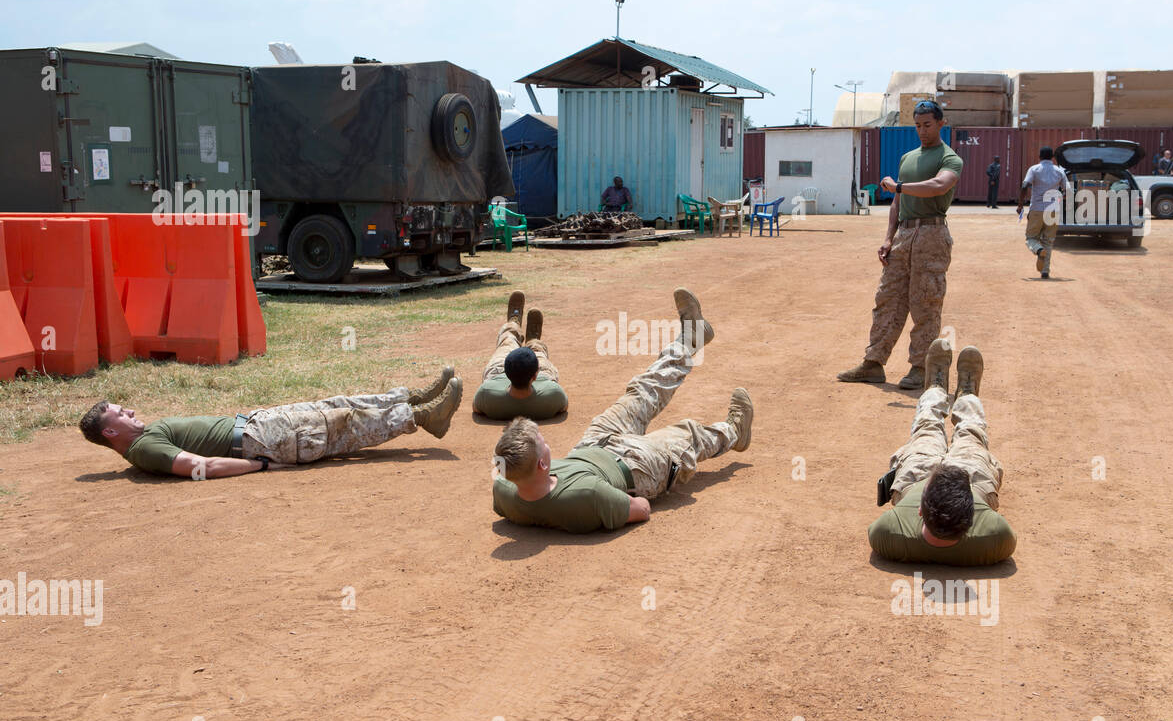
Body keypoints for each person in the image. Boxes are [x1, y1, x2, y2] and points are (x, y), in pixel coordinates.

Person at [492, 288, 753, 533]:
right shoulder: (586, 495)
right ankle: (735, 431)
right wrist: (615, 497)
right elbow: (641, 509)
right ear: (542, 463)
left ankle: (691, 338)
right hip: (636, 466)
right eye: (543, 443)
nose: (547, 443)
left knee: (641, 392)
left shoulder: (505, 489)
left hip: (594, 444)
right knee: (689, 436)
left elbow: (507, 477)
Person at [79, 370, 463, 478]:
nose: (129, 411)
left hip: (256, 423)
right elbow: (200, 466)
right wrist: (259, 465)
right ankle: (423, 417)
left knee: (337, 404)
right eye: (121, 414)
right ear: (110, 432)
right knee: (340, 425)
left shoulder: (144, 437)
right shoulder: (144, 449)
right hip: (258, 441)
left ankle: (413, 397)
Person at [838, 100, 963, 389]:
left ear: (941, 124)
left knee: (926, 302)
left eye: (927, 125)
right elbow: (897, 202)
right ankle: (873, 363)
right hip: (903, 236)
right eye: (917, 125)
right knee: (888, 299)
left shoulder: (950, 158)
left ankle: (920, 368)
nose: (922, 130)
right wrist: (888, 238)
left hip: (932, 234)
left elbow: (939, 185)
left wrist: (899, 187)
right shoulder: (908, 158)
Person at [868, 337, 1016, 566]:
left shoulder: (888, 533)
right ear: (971, 518)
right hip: (973, 484)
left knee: (927, 428)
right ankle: (967, 394)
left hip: (914, 480)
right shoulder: (998, 537)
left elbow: (877, 529)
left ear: (919, 511)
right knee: (970, 432)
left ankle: (935, 389)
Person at [472, 291, 568, 420]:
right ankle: (533, 340)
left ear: (506, 372)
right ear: (535, 375)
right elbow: (564, 407)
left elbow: (476, 408)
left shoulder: (485, 393)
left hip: (497, 374)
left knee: (506, 343)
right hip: (540, 379)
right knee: (539, 354)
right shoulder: (555, 394)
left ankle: (513, 323)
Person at [1017, 145, 1068, 280]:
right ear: (1052, 157)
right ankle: (1045, 271)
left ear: (1039, 156)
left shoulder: (1034, 169)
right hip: (1053, 211)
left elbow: (1024, 186)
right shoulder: (1059, 171)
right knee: (1048, 241)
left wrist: (1020, 205)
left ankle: (1039, 250)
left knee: (1031, 238)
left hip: (1037, 209)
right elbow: (1067, 190)